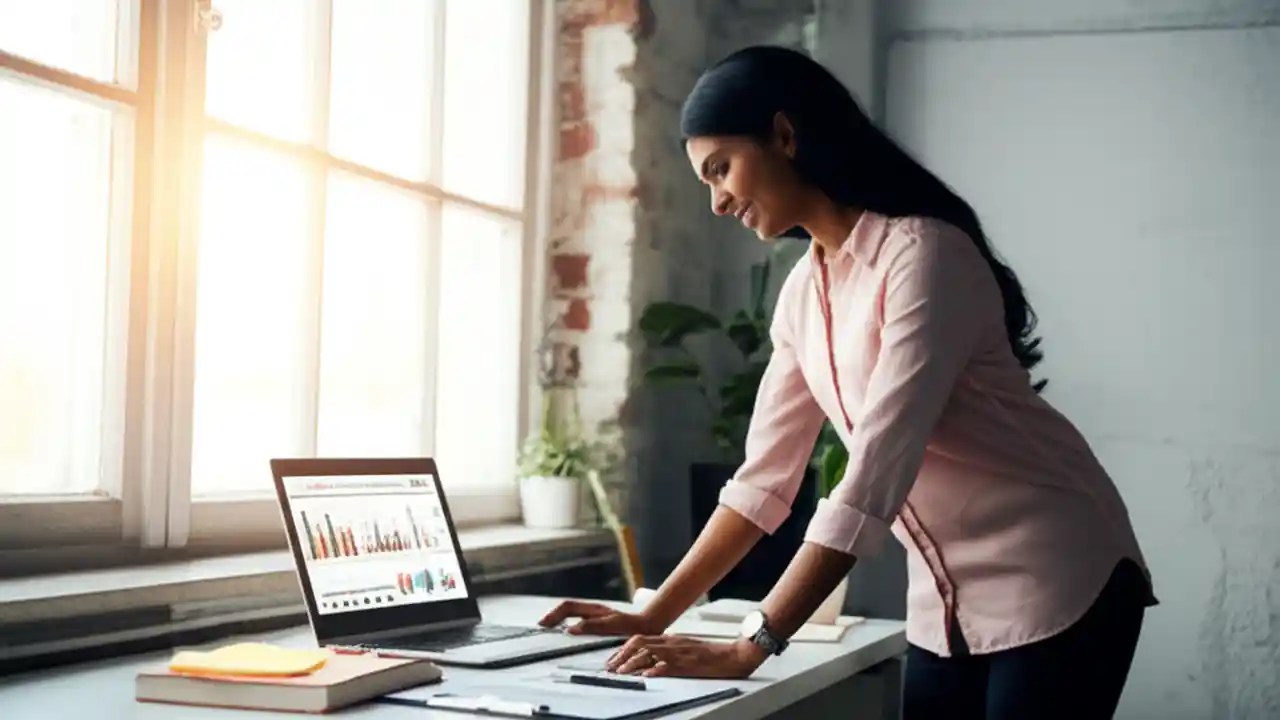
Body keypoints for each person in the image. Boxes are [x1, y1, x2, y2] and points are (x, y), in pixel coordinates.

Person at [538, 46, 1157, 719]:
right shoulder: (804, 292)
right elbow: (761, 484)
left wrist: (755, 643)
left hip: (1060, 577)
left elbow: (872, 478)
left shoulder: (924, 255)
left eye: (721, 170)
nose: (716, 202)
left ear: (782, 135)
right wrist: (651, 614)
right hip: (943, 605)